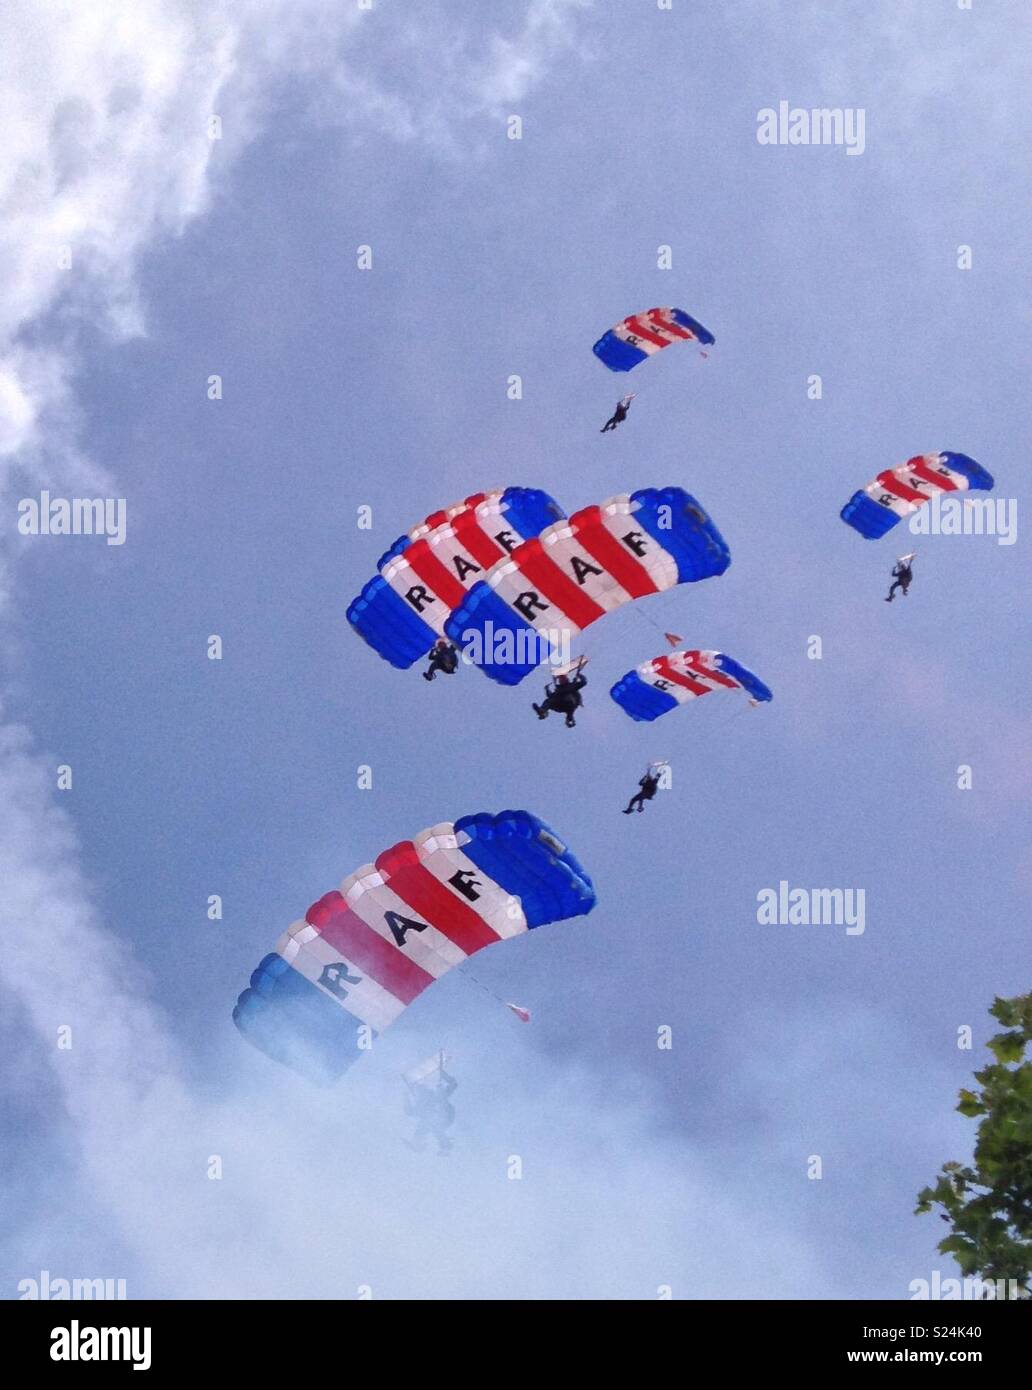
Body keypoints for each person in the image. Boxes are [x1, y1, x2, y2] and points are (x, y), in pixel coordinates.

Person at [404, 1066, 458, 1155]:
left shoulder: (436, 1098)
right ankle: (444, 1144)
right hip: (441, 1118)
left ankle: (444, 1144)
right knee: (430, 1123)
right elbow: (409, 1111)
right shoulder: (432, 1101)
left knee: (430, 1122)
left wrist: (405, 1096)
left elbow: (453, 1084)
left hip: (443, 1116)